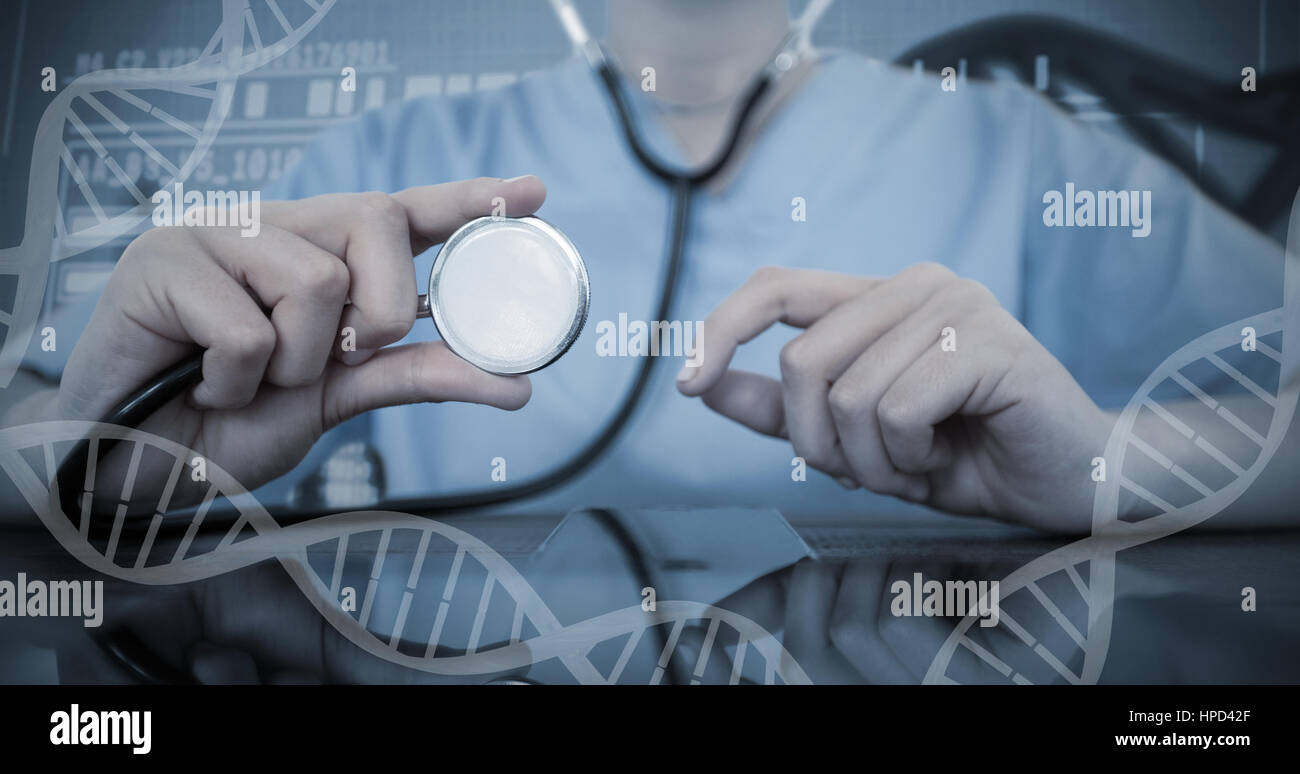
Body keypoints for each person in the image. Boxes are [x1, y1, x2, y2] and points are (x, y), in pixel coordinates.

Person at [8, 0, 1296, 535]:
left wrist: (1111, 469)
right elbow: (36, 444)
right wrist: (88, 447)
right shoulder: (392, 159)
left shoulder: (1013, 151)